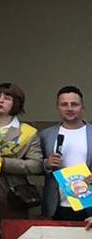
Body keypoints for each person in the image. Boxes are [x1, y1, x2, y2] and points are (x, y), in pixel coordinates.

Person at [0, 82, 44, 221]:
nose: (0, 100)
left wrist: (1, 162)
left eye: (7, 98)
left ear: (17, 103)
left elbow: (36, 165)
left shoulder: (28, 132)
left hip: (11, 194)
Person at [38, 85, 90, 218]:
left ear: (82, 107)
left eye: (74, 104)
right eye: (64, 104)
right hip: (56, 204)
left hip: (88, 203)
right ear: (58, 108)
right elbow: (36, 164)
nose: (69, 108)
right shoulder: (46, 135)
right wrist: (46, 163)